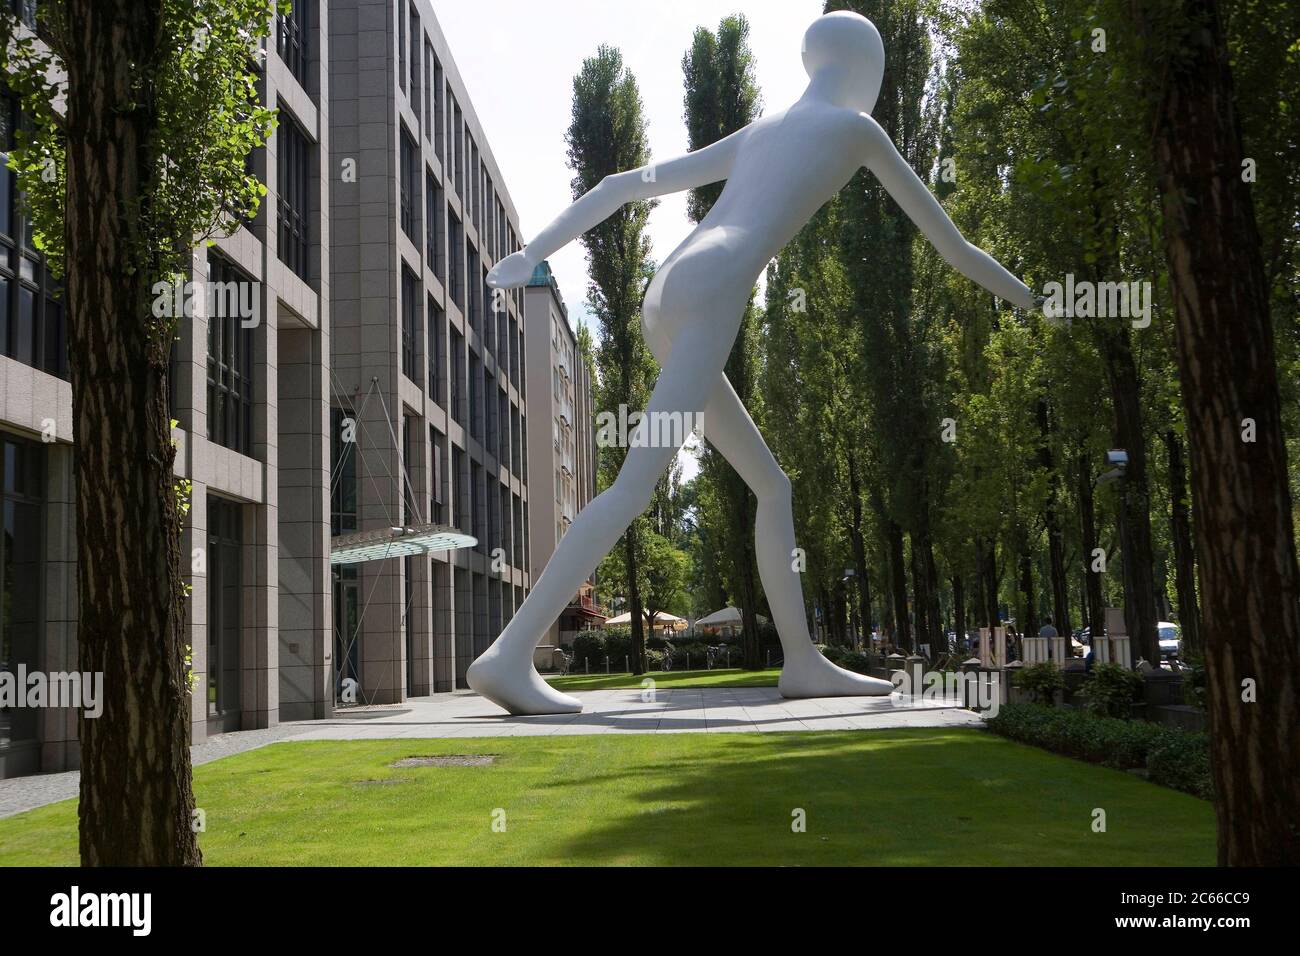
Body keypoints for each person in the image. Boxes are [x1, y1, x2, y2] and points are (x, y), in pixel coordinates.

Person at [468, 10, 1038, 714]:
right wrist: (1032, 299)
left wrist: (534, 254)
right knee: (635, 485)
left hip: (669, 287)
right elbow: (952, 248)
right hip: (715, 285)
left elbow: (624, 183)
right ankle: (510, 652)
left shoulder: (764, 130)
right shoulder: (858, 130)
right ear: (866, 69)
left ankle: (802, 661)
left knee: (773, 486)